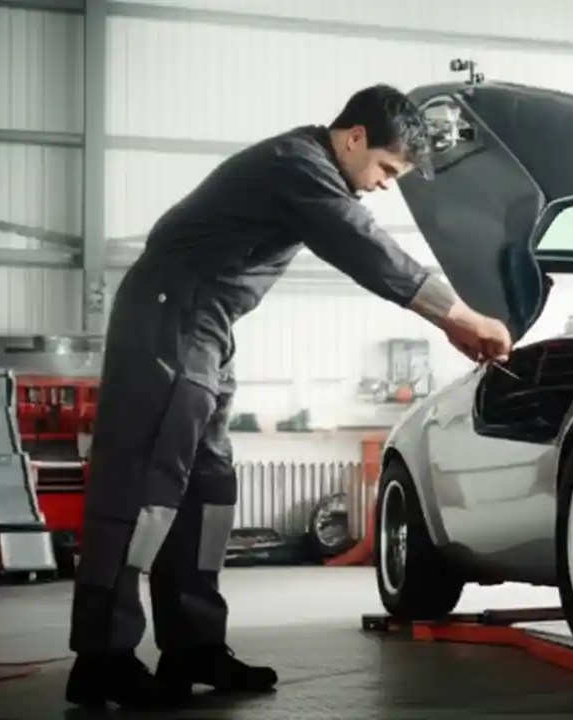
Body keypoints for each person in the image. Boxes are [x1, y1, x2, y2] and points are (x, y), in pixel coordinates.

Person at [65, 84, 513, 709]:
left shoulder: (307, 169)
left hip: (207, 327)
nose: (386, 185)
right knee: (143, 490)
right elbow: (365, 247)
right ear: (354, 138)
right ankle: (102, 656)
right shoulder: (297, 166)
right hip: (168, 319)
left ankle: (194, 646)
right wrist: (458, 316)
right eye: (387, 169)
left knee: (208, 491)